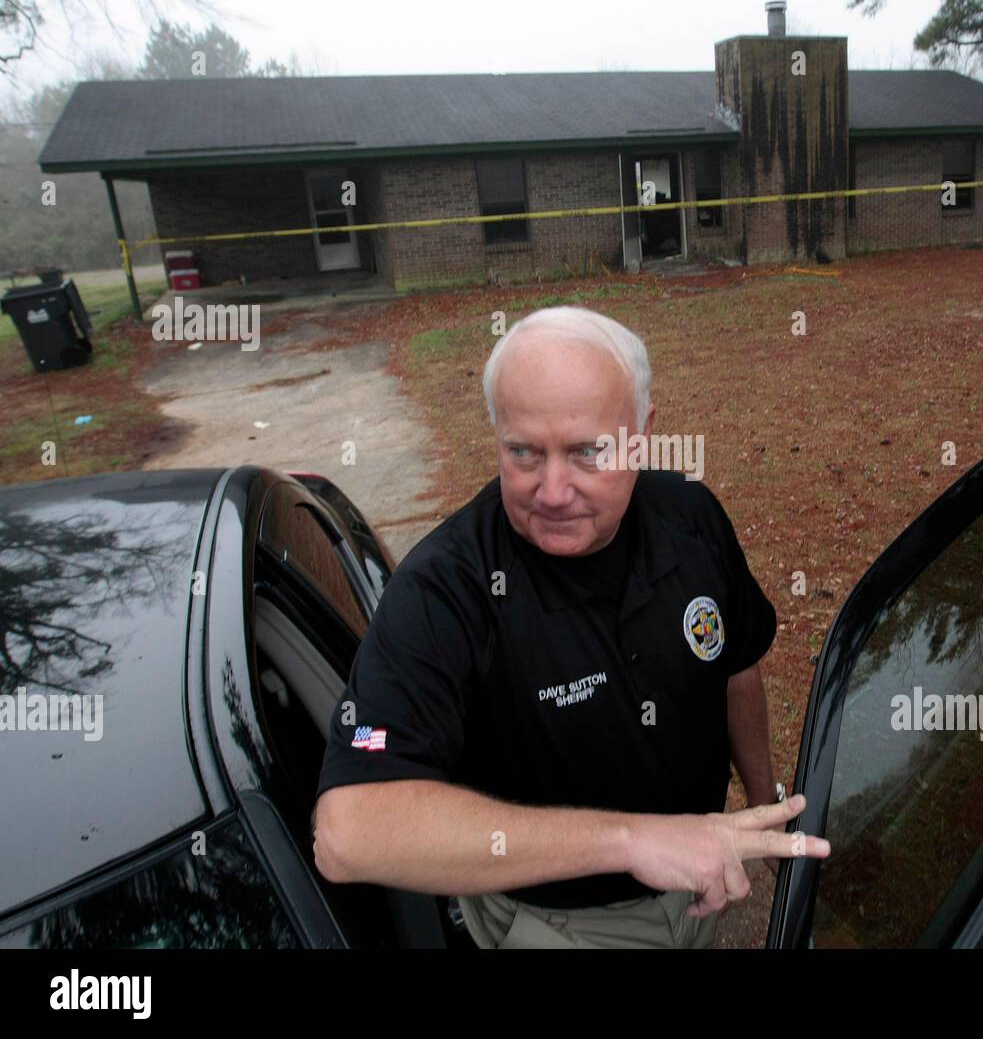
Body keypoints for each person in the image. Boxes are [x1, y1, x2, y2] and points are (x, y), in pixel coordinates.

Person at [312, 305, 829, 948]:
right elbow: (349, 831)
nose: (552, 492)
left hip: (700, 885)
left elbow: (734, 667)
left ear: (641, 435)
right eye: (523, 452)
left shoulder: (692, 517)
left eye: (588, 452)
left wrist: (761, 808)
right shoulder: (445, 589)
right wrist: (632, 841)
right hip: (558, 928)